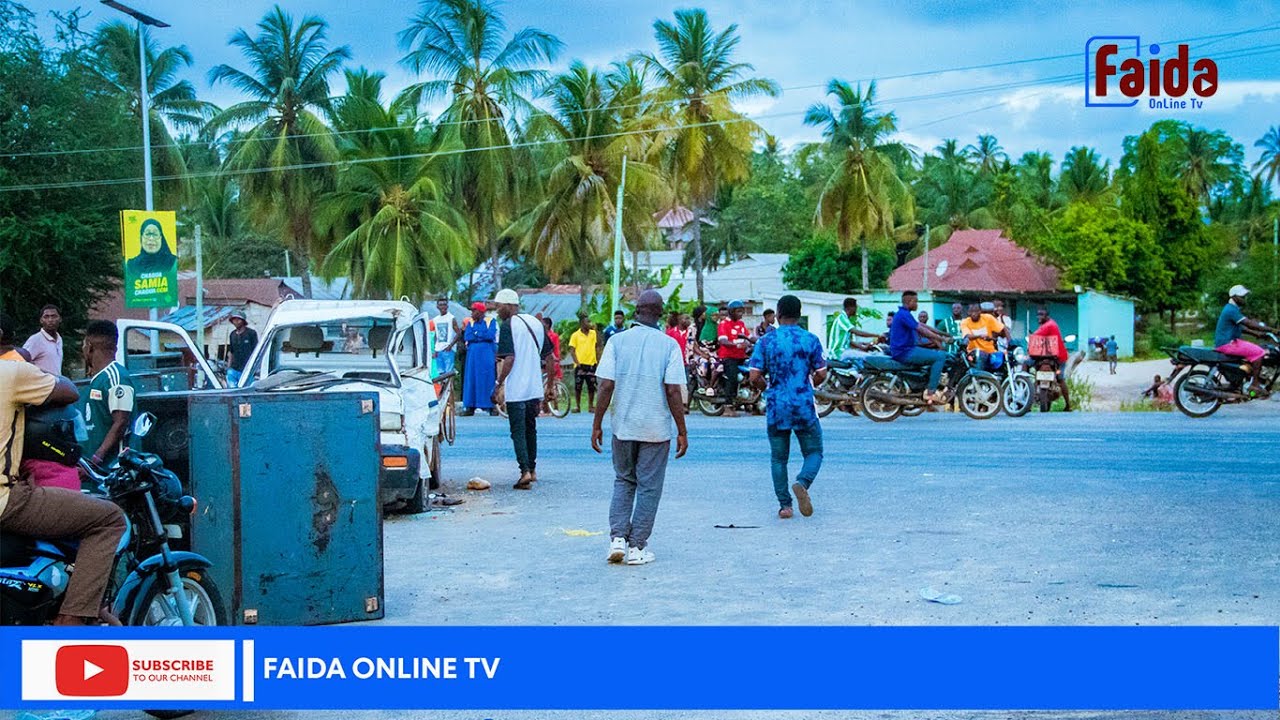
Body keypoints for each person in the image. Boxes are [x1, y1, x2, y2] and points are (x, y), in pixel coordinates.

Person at [1, 338, 127, 626]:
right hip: (6, 502)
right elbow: (69, 390)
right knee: (109, 519)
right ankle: (72, 617)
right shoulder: (11, 373)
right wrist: (25, 364)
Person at [592, 290, 688, 566]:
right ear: (660, 314)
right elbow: (673, 391)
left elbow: (605, 386)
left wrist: (597, 424)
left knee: (624, 480)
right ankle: (636, 547)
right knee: (649, 487)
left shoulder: (616, 341)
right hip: (655, 430)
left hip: (623, 426)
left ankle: (617, 539)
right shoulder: (669, 345)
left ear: (635, 312)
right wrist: (682, 430)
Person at [748, 294, 827, 520]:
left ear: (778, 314)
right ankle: (802, 481)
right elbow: (821, 373)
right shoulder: (810, 339)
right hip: (803, 404)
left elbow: (754, 376)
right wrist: (809, 384)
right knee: (814, 452)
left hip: (777, 405)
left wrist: (768, 389)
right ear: (799, 315)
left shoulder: (766, 341)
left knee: (778, 458)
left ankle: (785, 506)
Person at [493, 289, 556, 489]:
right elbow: (550, 358)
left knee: (518, 431)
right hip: (534, 388)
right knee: (531, 429)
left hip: (516, 389)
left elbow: (509, 359)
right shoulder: (536, 323)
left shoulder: (507, 325)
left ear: (509, 305)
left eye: (499, 306)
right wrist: (550, 386)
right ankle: (533, 469)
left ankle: (524, 471)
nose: (497, 311)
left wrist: (498, 384)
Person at [80, 320, 138, 468]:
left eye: (83, 344)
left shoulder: (116, 378)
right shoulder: (98, 379)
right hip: (92, 470)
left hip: (113, 469)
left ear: (89, 346)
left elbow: (121, 421)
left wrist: (96, 459)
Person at [890, 292, 951, 404]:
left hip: (905, 350)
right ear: (910, 302)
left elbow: (924, 326)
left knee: (935, 354)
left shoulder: (904, 314)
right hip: (905, 352)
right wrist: (942, 339)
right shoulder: (904, 315)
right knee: (940, 357)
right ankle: (931, 392)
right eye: (916, 301)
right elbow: (921, 330)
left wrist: (944, 334)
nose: (917, 304)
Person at [1214, 285, 1272, 396]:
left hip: (1231, 342)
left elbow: (1242, 328)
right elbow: (1249, 323)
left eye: (1244, 296)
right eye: (1242, 296)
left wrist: (1257, 334)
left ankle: (1244, 379)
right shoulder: (1231, 310)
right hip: (1227, 344)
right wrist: (1272, 330)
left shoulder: (1232, 308)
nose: (1244, 299)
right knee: (1259, 352)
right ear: (1234, 297)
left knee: (1256, 348)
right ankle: (1255, 384)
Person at [1030, 306, 1072, 411]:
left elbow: (1034, 337)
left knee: (1025, 364)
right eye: (1038, 315)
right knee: (1060, 379)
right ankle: (1068, 405)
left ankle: (1026, 389)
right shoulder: (1051, 324)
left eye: (1041, 315)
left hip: (1054, 357)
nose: (1039, 317)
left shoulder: (1048, 326)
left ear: (1047, 316)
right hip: (1056, 357)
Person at [461, 302, 499, 416]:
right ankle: (470, 406)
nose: (472, 313)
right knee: (471, 379)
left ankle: (490, 405)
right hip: (472, 356)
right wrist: (481, 335)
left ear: (480, 312)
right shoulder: (470, 322)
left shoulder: (490, 321)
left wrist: (476, 334)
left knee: (487, 378)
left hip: (486, 354)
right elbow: (467, 336)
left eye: (474, 311)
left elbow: (490, 335)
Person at [717, 300, 752, 417]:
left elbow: (749, 337)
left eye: (742, 311)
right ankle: (727, 406)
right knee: (732, 378)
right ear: (731, 312)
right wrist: (736, 345)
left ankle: (750, 403)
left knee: (750, 375)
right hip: (728, 357)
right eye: (738, 311)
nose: (741, 314)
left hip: (741, 356)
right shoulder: (724, 324)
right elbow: (723, 340)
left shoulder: (741, 324)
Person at [567, 315, 601, 413]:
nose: (589, 324)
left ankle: (591, 406)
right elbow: (572, 350)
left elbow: (597, 345)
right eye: (587, 322)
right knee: (578, 387)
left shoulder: (593, 333)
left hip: (591, 364)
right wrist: (577, 363)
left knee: (591, 386)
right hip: (580, 365)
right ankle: (577, 406)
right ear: (582, 323)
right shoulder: (575, 335)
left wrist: (598, 360)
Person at [23, 304, 64, 375]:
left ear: (60, 319)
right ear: (41, 320)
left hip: (56, 381)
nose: (50, 320)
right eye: (46, 317)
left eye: (54, 316)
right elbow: (22, 362)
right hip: (41, 382)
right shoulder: (35, 340)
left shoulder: (59, 339)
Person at [225, 310, 258, 387]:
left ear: (243, 321)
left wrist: (255, 368)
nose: (236, 322)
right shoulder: (232, 334)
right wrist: (228, 367)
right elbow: (231, 352)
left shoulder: (251, 333)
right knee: (232, 389)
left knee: (246, 389)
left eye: (238, 319)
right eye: (234, 320)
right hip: (234, 369)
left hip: (247, 369)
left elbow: (256, 351)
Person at [429, 298, 461, 375]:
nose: (443, 307)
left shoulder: (451, 318)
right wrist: (434, 349)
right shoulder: (435, 320)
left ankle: (450, 383)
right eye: (440, 305)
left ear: (447, 306)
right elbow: (436, 335)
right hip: (438, 350)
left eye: (444, 304)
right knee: (440, 372)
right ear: (437, 306)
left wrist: (451, 345)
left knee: (449, 372)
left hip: (448, 349)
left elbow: (459, 333)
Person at [541, 317, 563, 415]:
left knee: (553, 384)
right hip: (542, 361)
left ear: (547, 325)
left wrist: (556, 358)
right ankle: (544, 408)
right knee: (542, 383)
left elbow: (555, 348)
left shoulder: (553, 336)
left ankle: (555, 407)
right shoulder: (541, 334)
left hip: (551, 360)